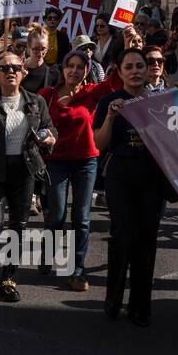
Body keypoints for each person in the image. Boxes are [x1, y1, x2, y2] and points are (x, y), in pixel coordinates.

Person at [93, 47, 169, 326]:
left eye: (141, 65)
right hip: (120, 177)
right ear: (120, 71)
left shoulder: (160, 101)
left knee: (147, 240)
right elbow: (99, 144)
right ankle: (113, 298)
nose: (136, 71)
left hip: (152, 178)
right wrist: (112, 117)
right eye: (130, 67)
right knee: (123, 236)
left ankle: (141, 305)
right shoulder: (109, 101)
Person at [0, 51, 56, 303]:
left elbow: (49, 128)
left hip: (24, 170)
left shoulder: (36, 102)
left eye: (16, 67)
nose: (10, 71)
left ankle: (8, 279)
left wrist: (50, 137)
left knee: (18, 227)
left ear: (23, 73)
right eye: (4, 68)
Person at [39, 49, 119, 289]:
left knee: (82, 219)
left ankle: (78, 271)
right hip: (56, 162)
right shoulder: (48, 95)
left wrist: (126, 41)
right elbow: (34, 117)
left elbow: (117, 81)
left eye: (80, 66)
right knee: (57, 215)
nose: (74, 70)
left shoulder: (92, 93)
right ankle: (47, 255)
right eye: (69, 65)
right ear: (62, 69)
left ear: (87, 71)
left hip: (86, 161)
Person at [19, 24, 61, 93]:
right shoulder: (17, 69)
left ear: (47, 48)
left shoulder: (53, 73)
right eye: (36, 49)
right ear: (28, 47)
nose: (40, 53)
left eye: (43, 49)